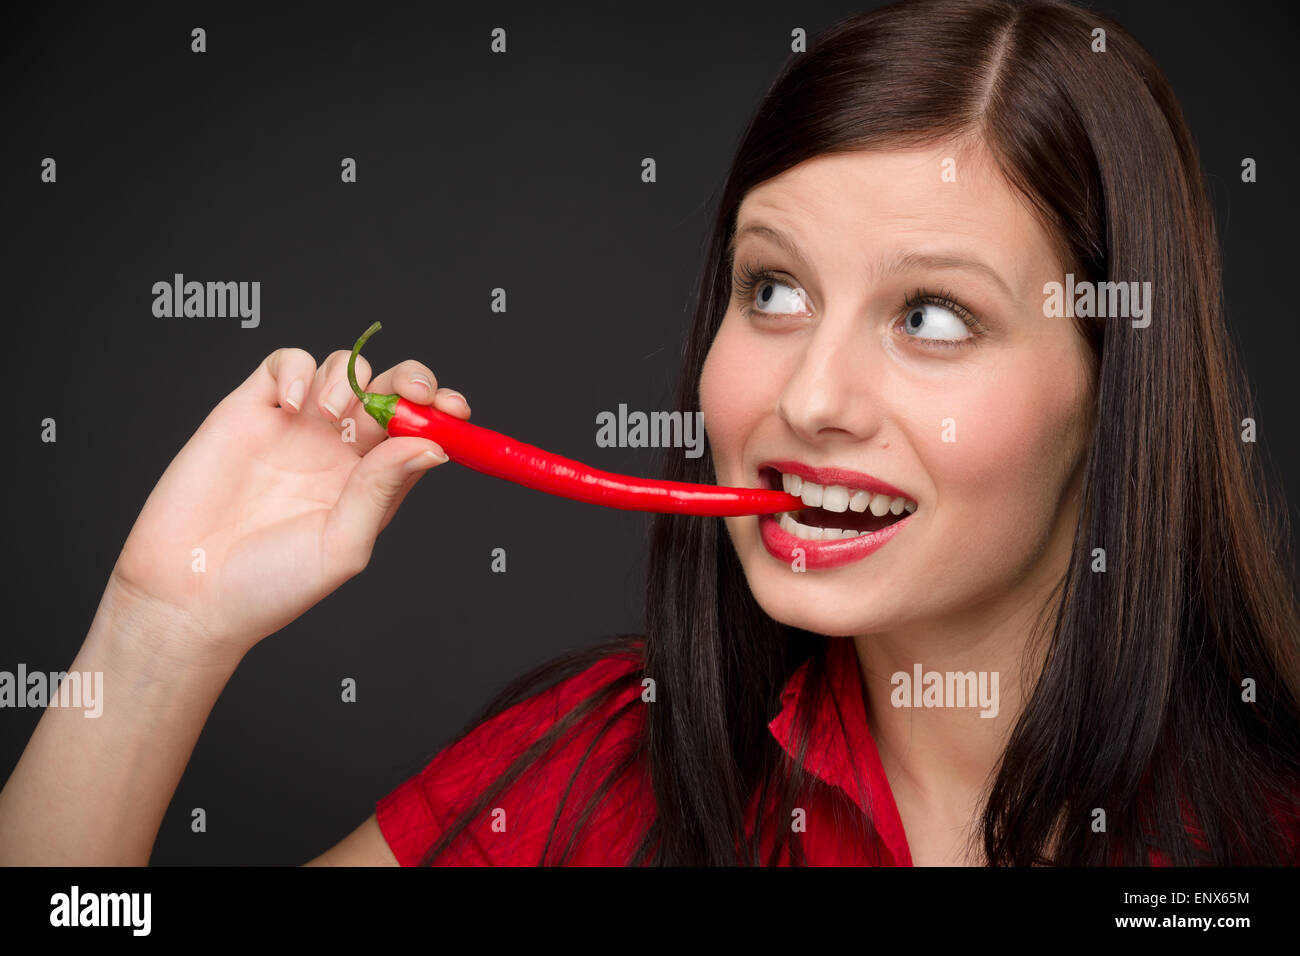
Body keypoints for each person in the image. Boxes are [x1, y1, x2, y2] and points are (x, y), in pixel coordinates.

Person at [3, 0, 1299, 866]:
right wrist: (160, 629)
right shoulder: (594, 771)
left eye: (934, 316)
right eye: (773, 292)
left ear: (1115, 380)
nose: (811, 400)